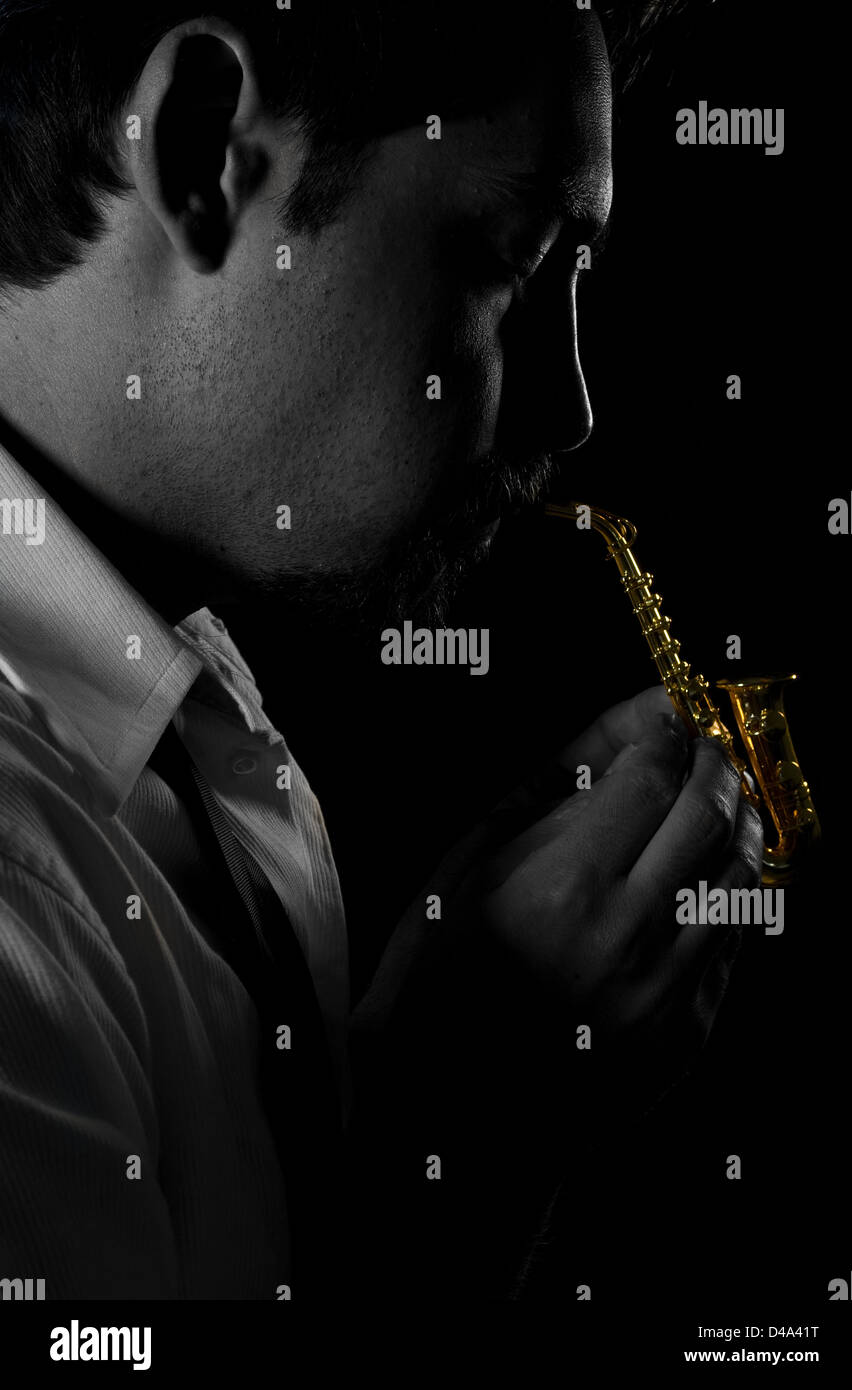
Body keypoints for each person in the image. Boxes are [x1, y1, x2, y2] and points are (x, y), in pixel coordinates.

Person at [0, 0, 761, 1299]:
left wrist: (420, 1062)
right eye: (510, 258)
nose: (571, 406)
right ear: (202, 151)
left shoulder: (185, 716)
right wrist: (472, 1146)